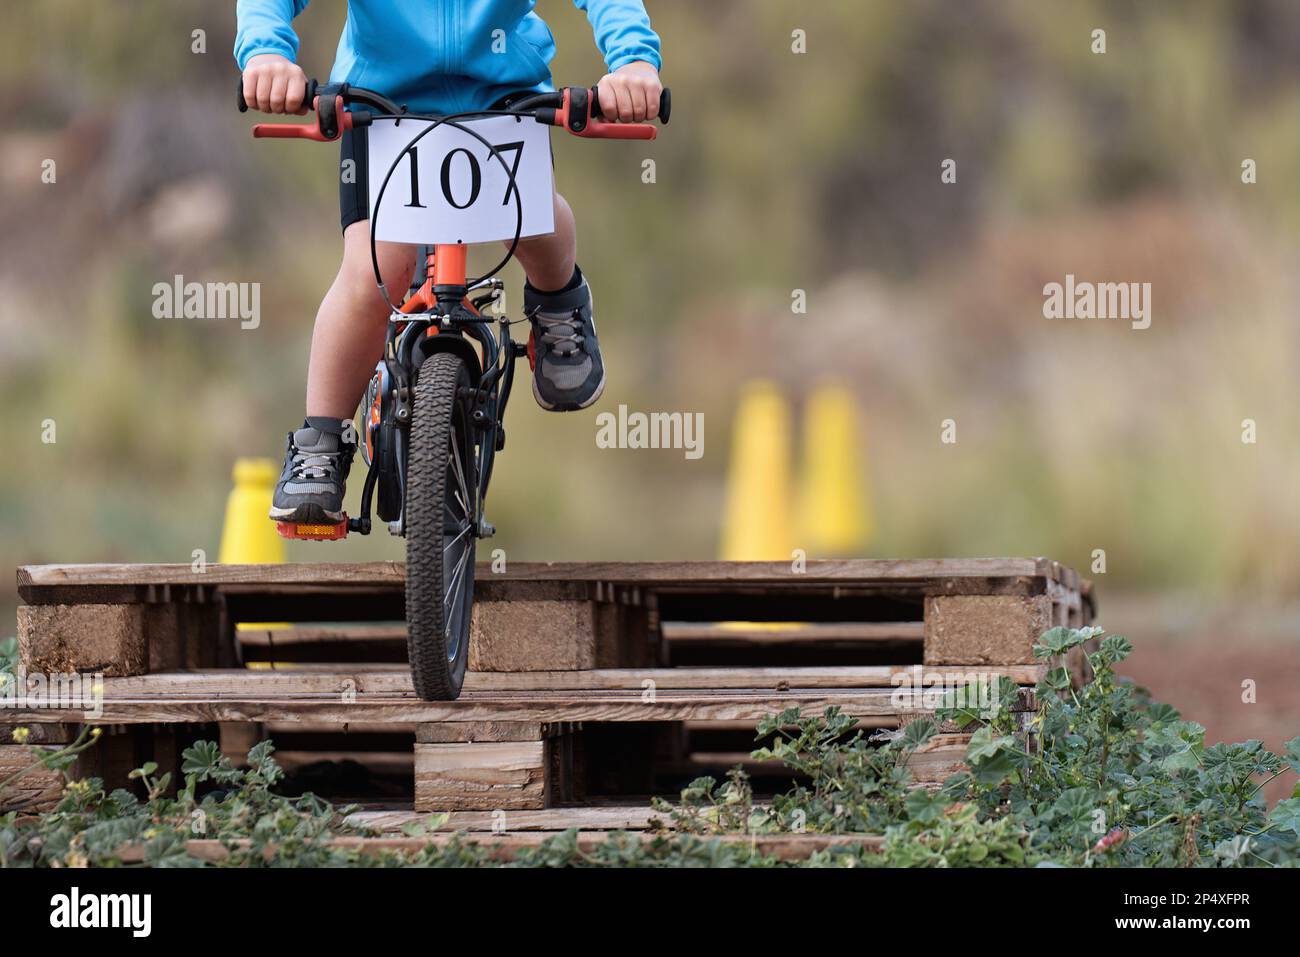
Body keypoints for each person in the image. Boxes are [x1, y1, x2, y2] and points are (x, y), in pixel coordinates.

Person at [233, 0, 663, 524]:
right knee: (375, 271)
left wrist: (634, 63)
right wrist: (266, 55)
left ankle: (560, 301)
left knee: (533, 222)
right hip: (381, 103)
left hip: (503, 98)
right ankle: (322, 440)